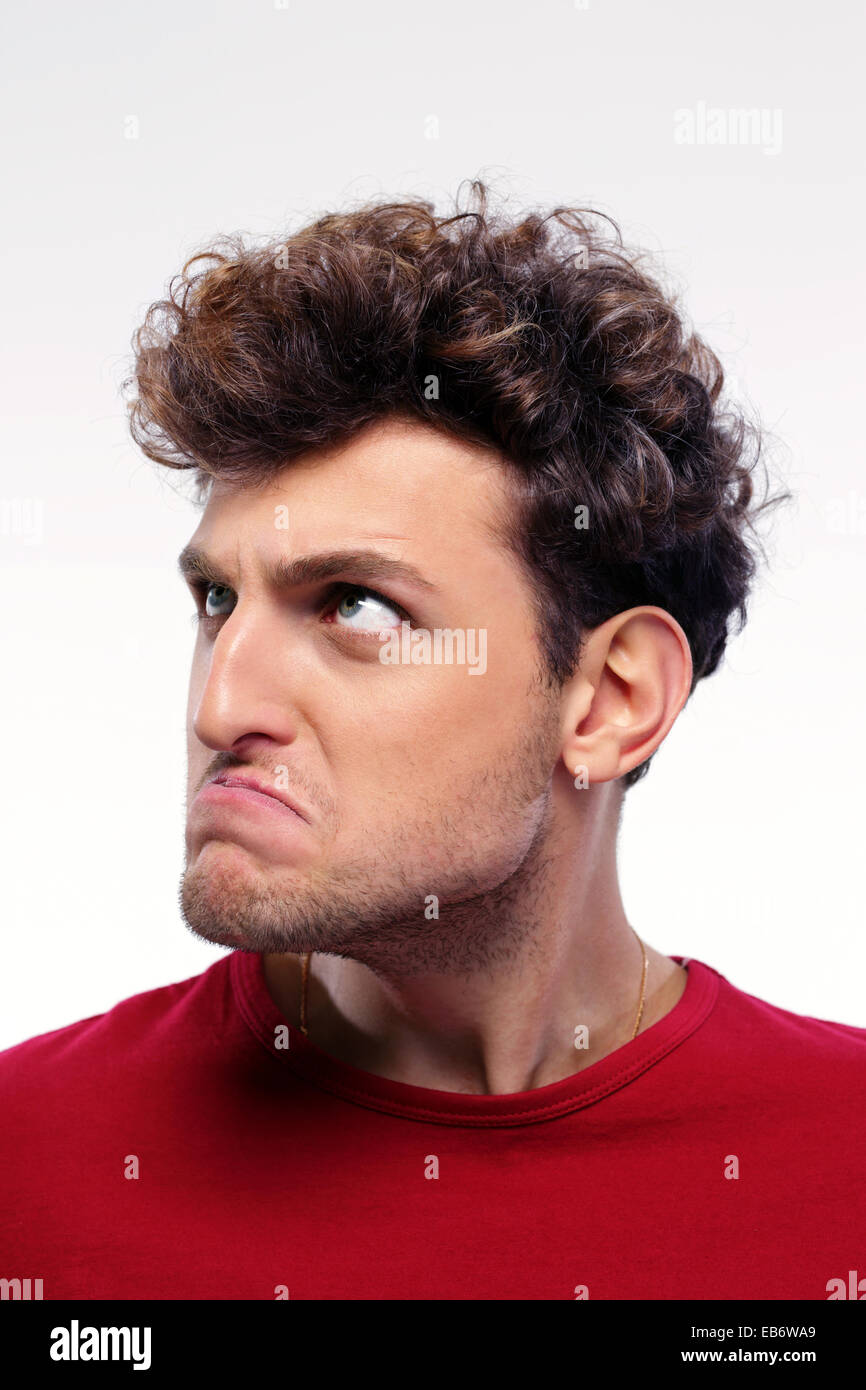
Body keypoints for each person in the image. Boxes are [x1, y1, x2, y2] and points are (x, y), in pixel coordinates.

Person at [1, 182, 862, 1301]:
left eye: (355, 606)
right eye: (218, 601)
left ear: (607, 701)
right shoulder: (27, 1171)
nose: (220, 709)